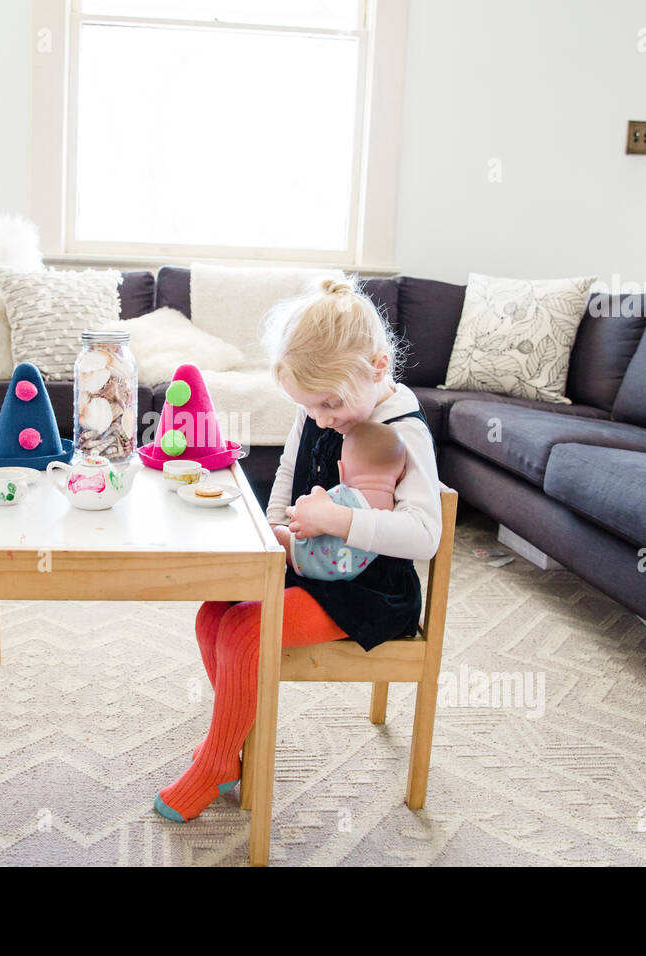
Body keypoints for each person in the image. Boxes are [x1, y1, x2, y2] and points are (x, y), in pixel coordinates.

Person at [155, 277, 442, 823]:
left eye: (329, 404)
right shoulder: (320, 407)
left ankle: (219, 763)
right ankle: (234, 743)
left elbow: (425, 534)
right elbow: (288, 476)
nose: (320, 419)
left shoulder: (404, 430)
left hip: (368, 592)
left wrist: (338, 519)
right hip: (305, 564)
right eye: (308, 407)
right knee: (212, 613)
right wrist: (272, 537)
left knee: (244, 632)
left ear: (378, 369)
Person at [274, 420, 408, 581]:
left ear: (341, 471)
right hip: (352, 573)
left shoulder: (341, 494)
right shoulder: (393, 511)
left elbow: (304, 514)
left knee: (276, 533)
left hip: (310, 562)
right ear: (401, 475)